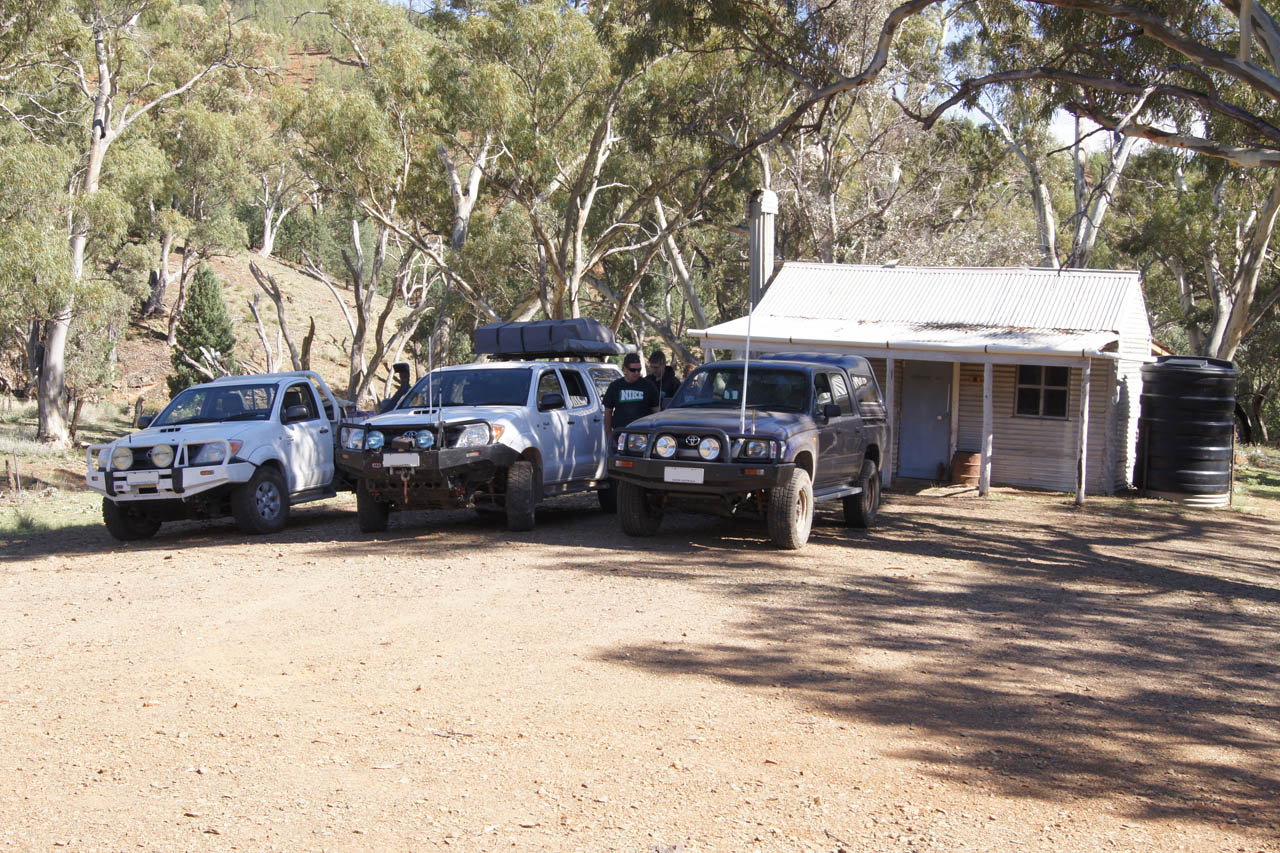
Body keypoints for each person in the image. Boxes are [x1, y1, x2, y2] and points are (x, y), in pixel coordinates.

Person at [603, 352, 659, 435]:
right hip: (620, 434)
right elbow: (608, 412)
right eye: (633, 370)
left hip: (644, 434)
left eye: (639, 369)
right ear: (625, 369)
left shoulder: (649, 386)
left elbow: (656, 412)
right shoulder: (615, 386)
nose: (636, 373)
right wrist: (609, 435)